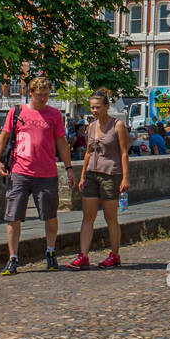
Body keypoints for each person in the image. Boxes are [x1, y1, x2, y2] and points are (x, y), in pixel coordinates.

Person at [0, 76, 76, 275]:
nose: (43, 100)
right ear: (30, 93)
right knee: (13, 217)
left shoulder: (54, 115)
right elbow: (3, 137)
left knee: (50, 215)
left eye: (46, 96)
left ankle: (50, 251)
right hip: (19, 171)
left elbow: (61, 142)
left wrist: (69, 167)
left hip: (46, 172)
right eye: (39, 96)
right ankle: (13, 258)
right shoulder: (16, 112)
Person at [68, 89, 131, 271]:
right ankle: (84, 255)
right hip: (92, 173)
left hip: (111, 174)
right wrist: (82, 175)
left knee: (110, 217)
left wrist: (125, 177)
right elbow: (88, 151)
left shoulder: (117, 125)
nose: (94, 110)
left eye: (97, 107)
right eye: (92, 107)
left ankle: (115, 254)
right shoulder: (91, 126)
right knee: (88, 216)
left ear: (106, 106)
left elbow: (124, 152)